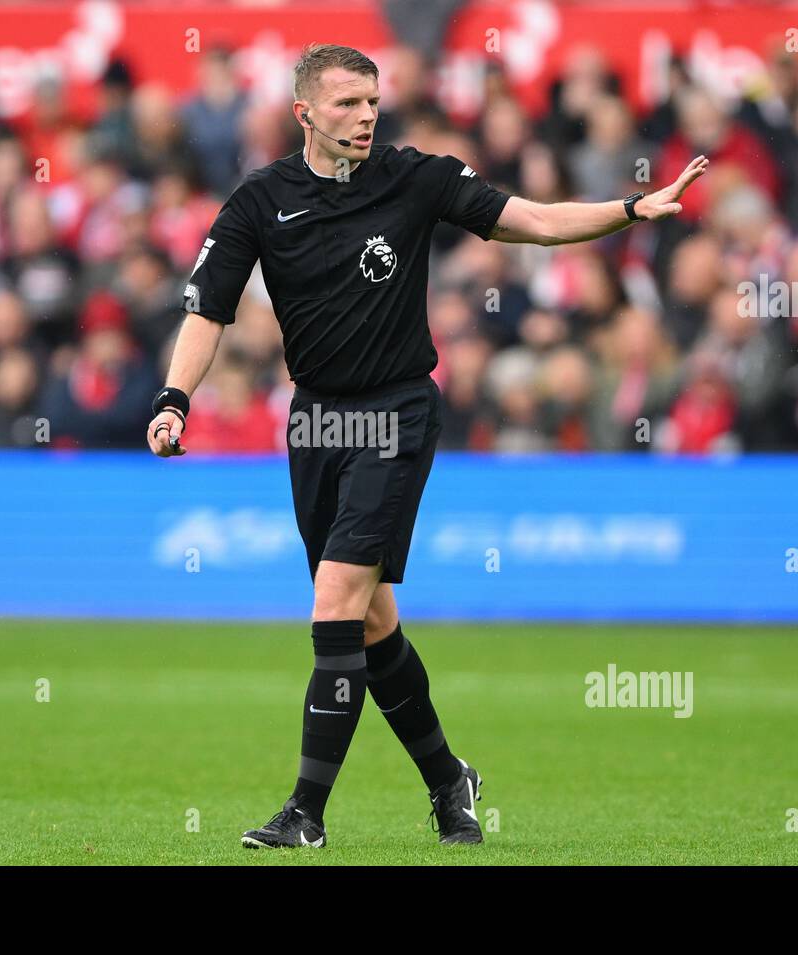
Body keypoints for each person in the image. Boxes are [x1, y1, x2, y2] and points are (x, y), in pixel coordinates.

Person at [146, 43, 708, 848]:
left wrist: (630, 209)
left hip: (397, 414)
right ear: (305, 114)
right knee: (370, 623)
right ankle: (450, 780)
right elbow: (208, 312)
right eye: (345, 103)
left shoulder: (417, 178)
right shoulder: (258, 203)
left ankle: (306, 813)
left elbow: (539, 223)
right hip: (316, 424)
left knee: (335, 600)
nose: (365, 115)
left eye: (372, 100)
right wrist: (174, 399)